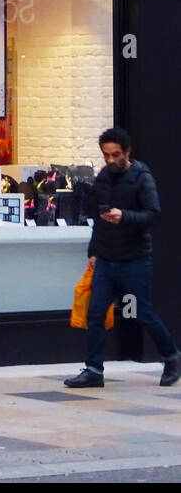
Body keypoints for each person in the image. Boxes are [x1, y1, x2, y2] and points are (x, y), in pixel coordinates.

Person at [65, 128, 181, 388]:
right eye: (106, 155)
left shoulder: (142, 177)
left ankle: (171, 356)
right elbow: (98, 219)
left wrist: (125, 216)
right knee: (95, 313)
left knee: (140, 312)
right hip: (106, 260)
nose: (110, 160)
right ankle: (94, 369)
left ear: (127, 152)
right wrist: (93, 253)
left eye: (115, 154)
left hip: (134, 261)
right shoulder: (104, 177)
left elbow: (154, 214)